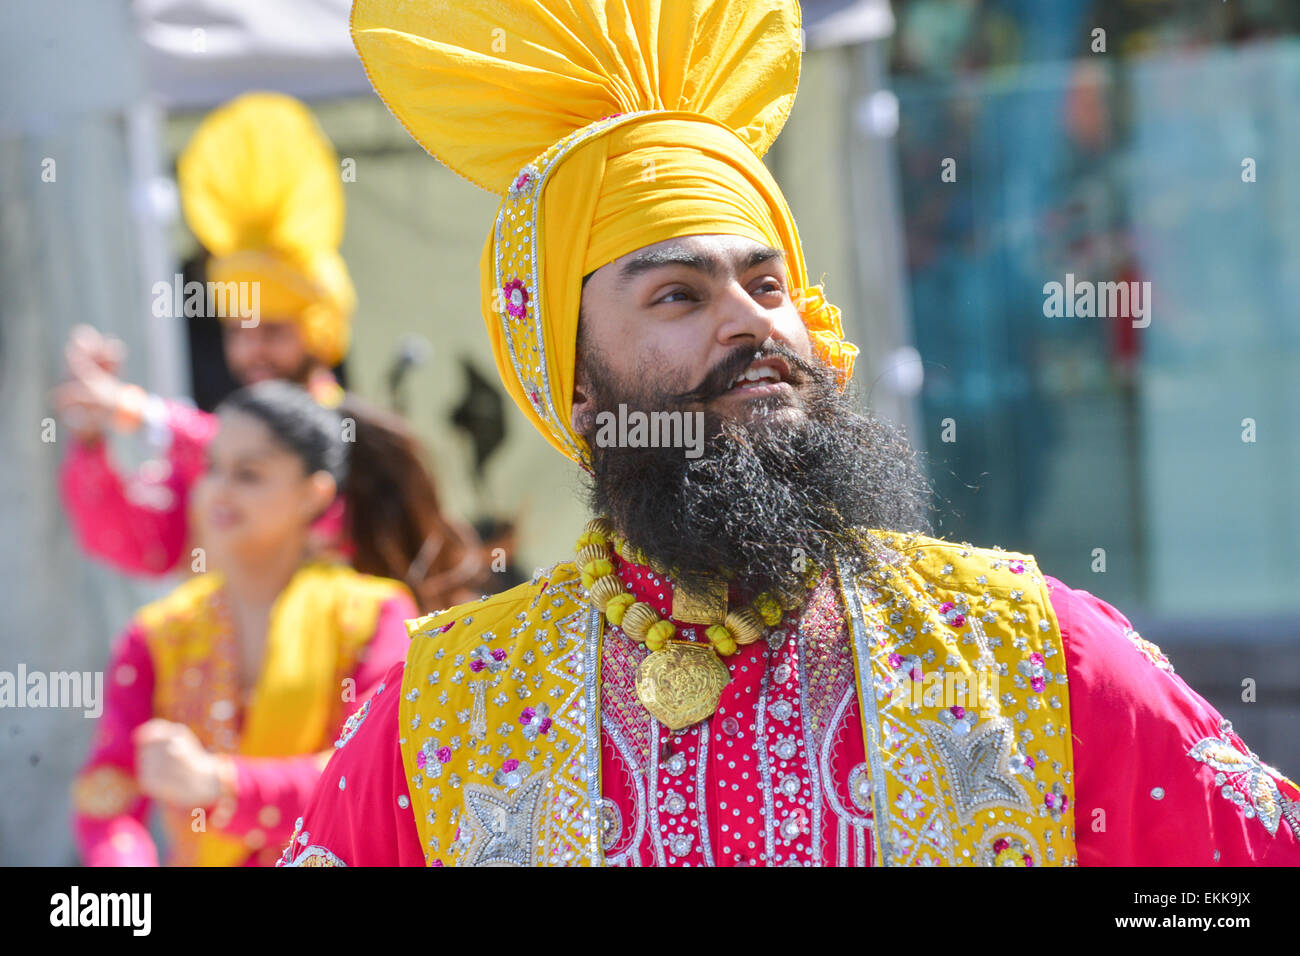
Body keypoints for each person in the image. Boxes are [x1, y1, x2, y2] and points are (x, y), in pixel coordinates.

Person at [281, 0, 1300, 867]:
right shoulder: (448, 705)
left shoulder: (1029, 650)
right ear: (573, 385)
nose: (754, 322)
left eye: (767, 285)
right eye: (678, 294)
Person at [53, 92, 490, 609]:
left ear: (319, 332)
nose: (251, 351)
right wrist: (90, 439)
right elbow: (139, 545)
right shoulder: (212, 449)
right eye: (238, 331)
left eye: (272, 332)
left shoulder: (352, 440)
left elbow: (278, 467)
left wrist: (137, 410)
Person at [71, 381, 417, 866]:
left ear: (313, 494)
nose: (220, 490)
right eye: (212, 468)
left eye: (249, 474)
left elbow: (370, 779)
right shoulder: (157, 635)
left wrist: (219, 785)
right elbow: (106, 800)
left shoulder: (373, 616)